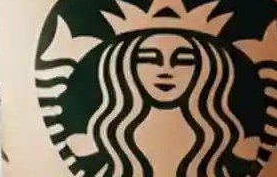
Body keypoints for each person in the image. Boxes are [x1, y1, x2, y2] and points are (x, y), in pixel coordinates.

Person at [66, 30, 263, 177]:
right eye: (149, 59)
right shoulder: (99, 139)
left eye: (183, 60)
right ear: (126, 68)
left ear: (204, 71)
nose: (166, 70)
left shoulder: (232, 142)